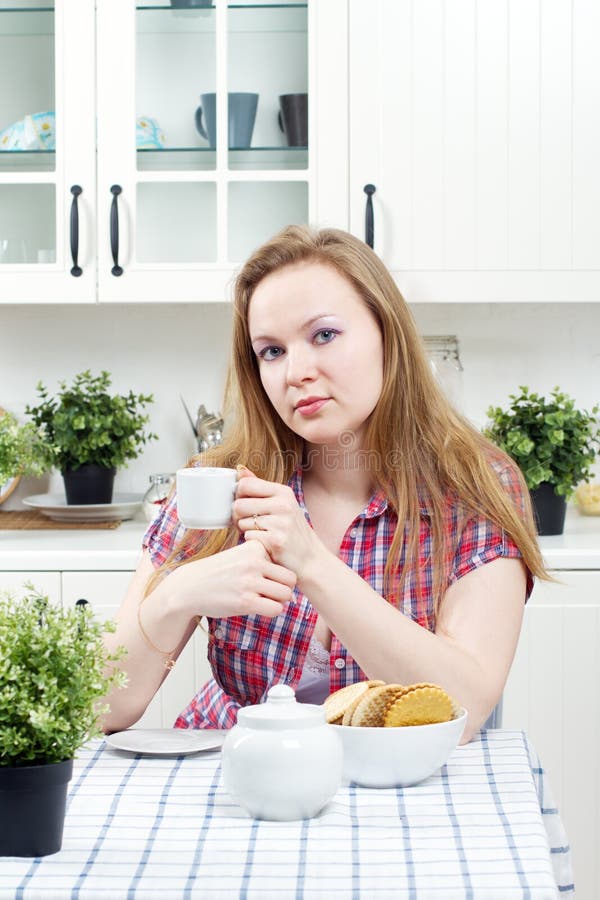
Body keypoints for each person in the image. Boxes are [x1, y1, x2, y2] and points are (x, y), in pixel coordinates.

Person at [102, 225, 548, 743]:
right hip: (234, 779)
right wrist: (174, 596)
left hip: (397, 790)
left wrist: (310, 562)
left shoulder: (473, 488)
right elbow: (101, 707)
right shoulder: (219, 485)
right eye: (271, 351)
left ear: (387, 333)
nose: (297, 372)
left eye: (324, 335)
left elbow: (464, 707)